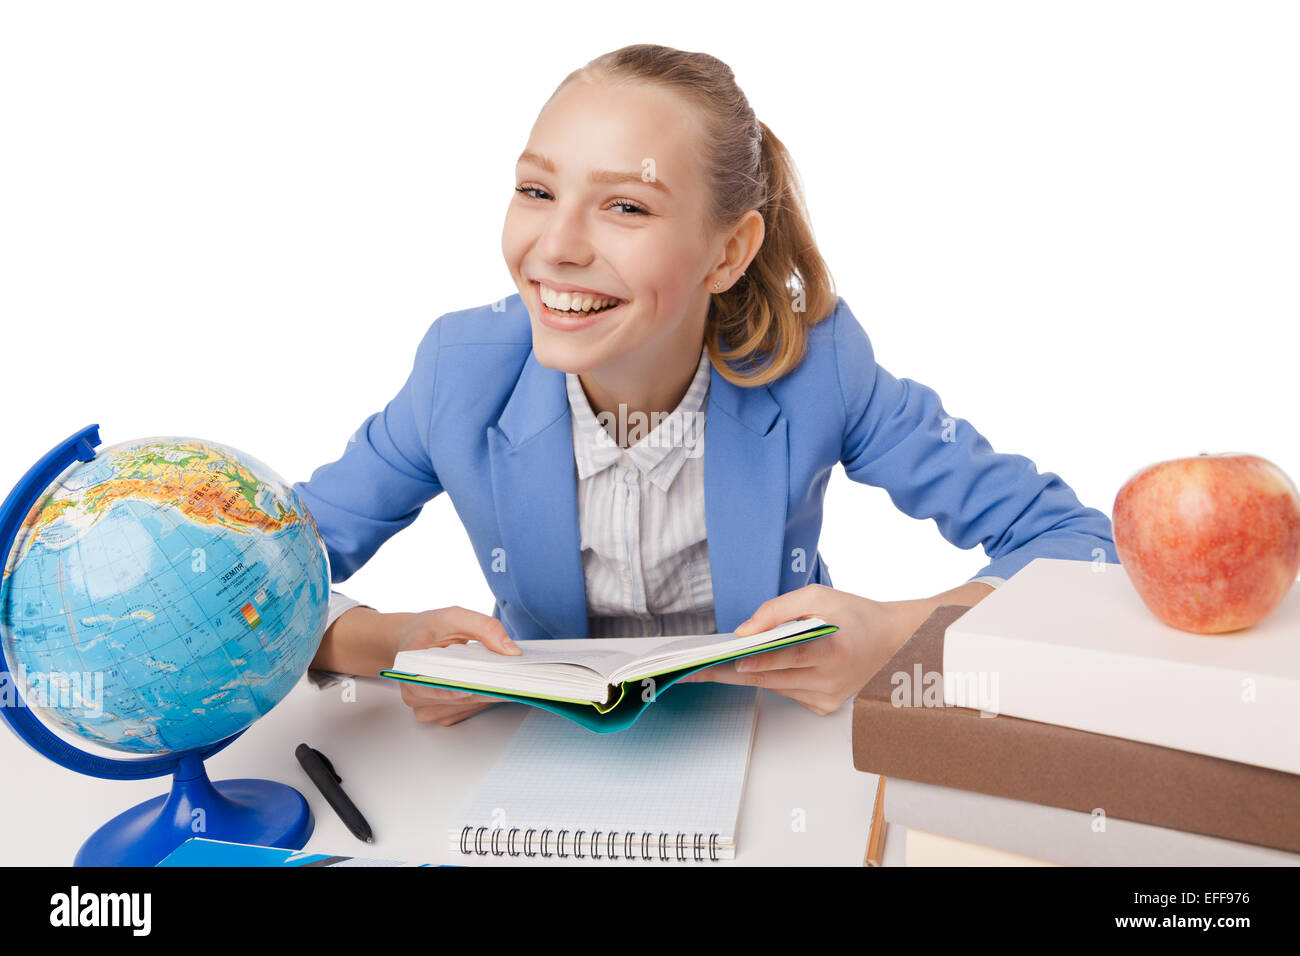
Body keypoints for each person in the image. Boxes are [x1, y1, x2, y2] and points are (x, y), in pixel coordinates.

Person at [295, 43, 1118, 726]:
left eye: (625, 207)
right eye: (537, 191)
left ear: (728, 252)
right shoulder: (459, 372)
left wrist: (894, 633)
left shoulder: (819, 367)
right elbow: (258, 573)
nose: (557, 246)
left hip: (780, 741)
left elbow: (1079, 549)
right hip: (538, 755)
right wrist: (392, 644)